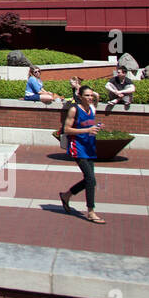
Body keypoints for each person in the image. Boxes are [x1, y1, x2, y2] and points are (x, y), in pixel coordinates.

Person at [59, 86, 105, 224]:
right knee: (90, 179)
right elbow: (66, 129)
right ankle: (91, 212)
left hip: (90, 146)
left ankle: (66, 195)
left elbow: (97, 97)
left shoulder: (92, 108)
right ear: (80, 96)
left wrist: (96, 127)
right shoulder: (74, 109)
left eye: (91, 95)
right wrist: (87, 129)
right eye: (87, 95)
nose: (90, 98)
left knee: (91, 180)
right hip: (78, 147)